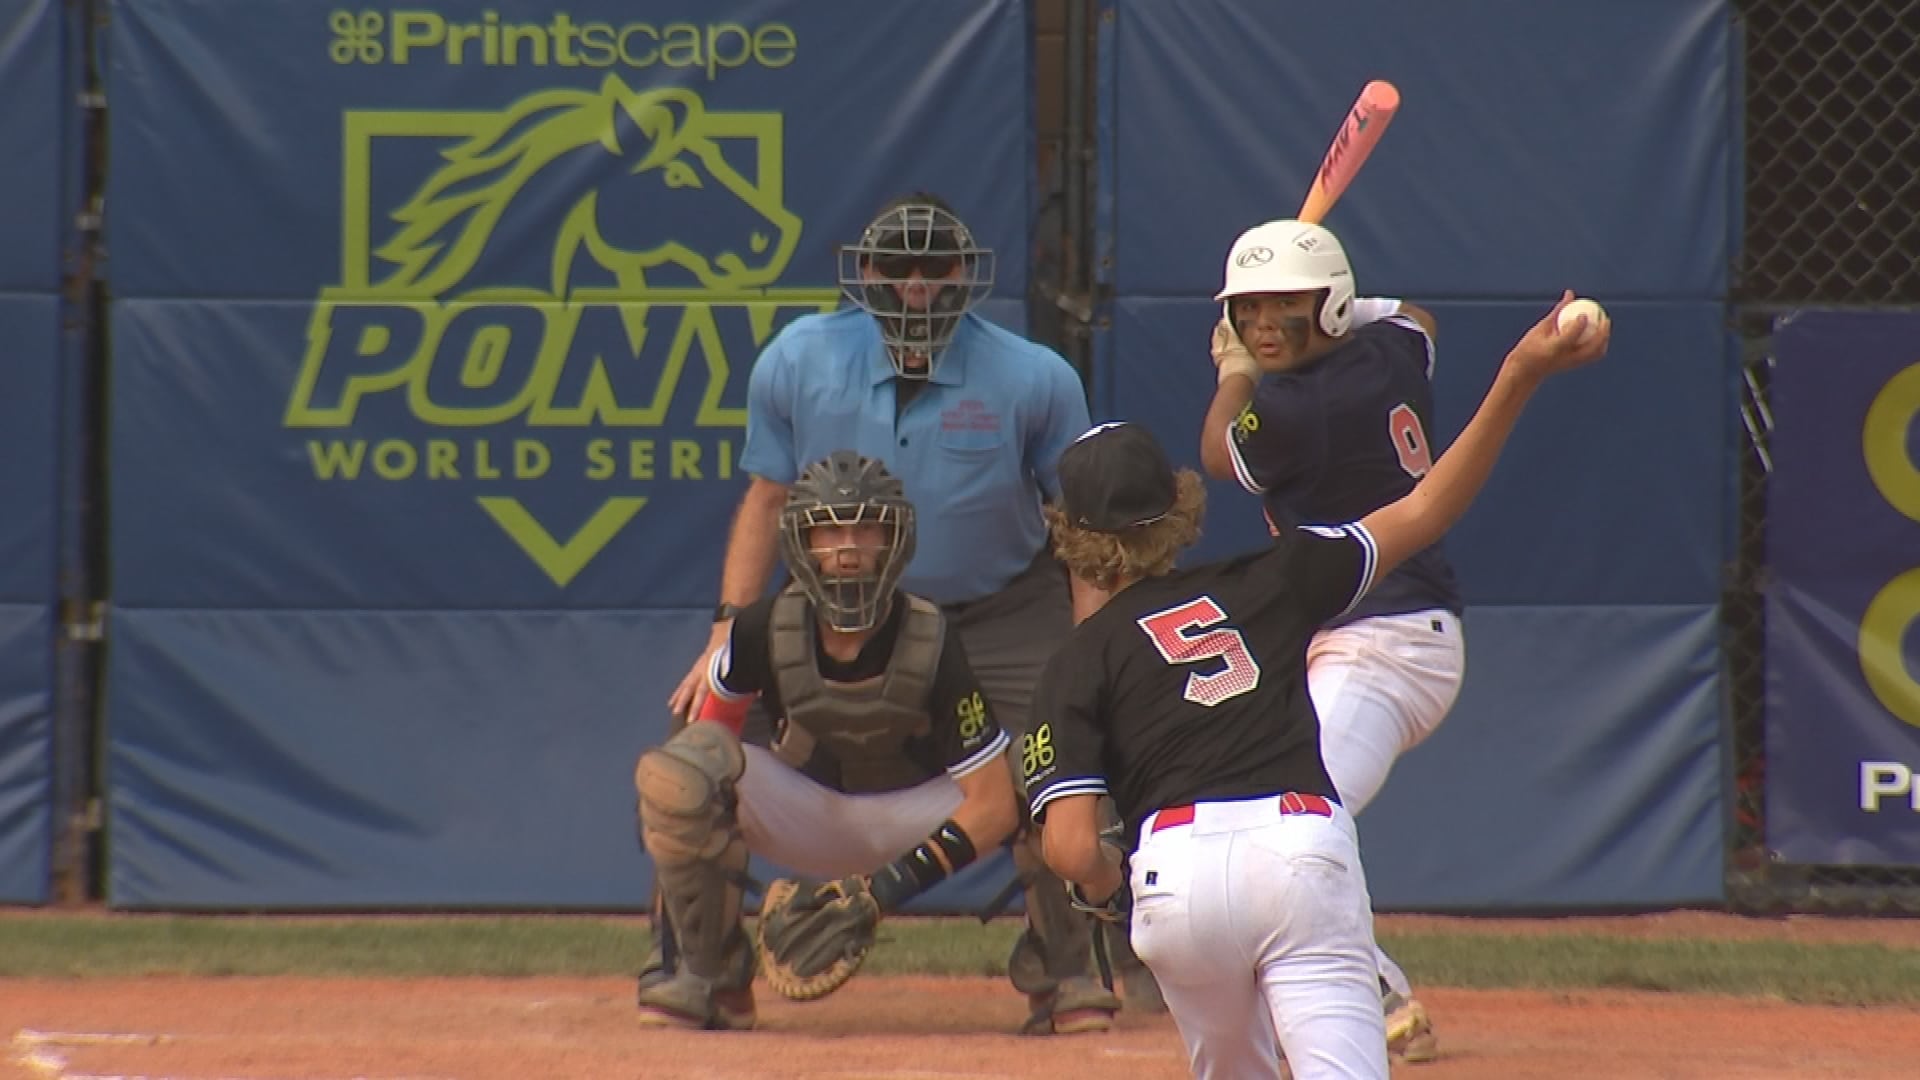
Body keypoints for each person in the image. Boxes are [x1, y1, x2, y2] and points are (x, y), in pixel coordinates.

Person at [1026, 294, 1610, 1079]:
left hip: (1174, 874)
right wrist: (1519, 373)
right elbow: (1426, 506)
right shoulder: (1274, 576)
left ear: (1068, 537)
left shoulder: (1074, 662)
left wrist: (1108, 886)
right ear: (1180, 506)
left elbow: (1069, 847)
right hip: (1298, 850)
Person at [664, 193, 1140, 1032]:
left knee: (1067, 748)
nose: (916, 283)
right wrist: (725, 627)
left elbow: (1079, 527)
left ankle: (1075, 969)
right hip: (831, 609)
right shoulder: (799, 358)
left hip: (999, 608)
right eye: (896, 265)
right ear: (865, 272)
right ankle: (702, 972)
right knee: (689, 761)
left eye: (934, 266)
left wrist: (1093, 646)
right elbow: (768, 497)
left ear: (966, 272)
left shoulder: (1034, 376)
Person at [1195, 218, 1524, 1061]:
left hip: (1386, 642)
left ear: (1331, 304)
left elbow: (1220, 453)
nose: (1261, 324)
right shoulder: (1392, 350)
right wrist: (1334, 306)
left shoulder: (1295, 404)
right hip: (1346, 636)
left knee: (1294, 819)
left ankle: (1371, 993)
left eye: (1284, 306)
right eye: (1247, 308)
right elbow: (1416, 315)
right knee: (1277, 816)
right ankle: (1370, 985)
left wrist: (1233, 372)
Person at [634, 451, 1023, 1029]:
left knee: (1038, 774)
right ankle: (707, 974)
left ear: (894, 540)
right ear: (801, 541)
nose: (847, 548)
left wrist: (885, 889)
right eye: (830, 531)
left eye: (866, 529)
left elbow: (992, 804)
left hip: (906, 819)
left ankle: (1065, 978)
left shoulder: (931, 635)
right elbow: (709, 742)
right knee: (683, 775)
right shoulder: (760, 627)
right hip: (804, 813)